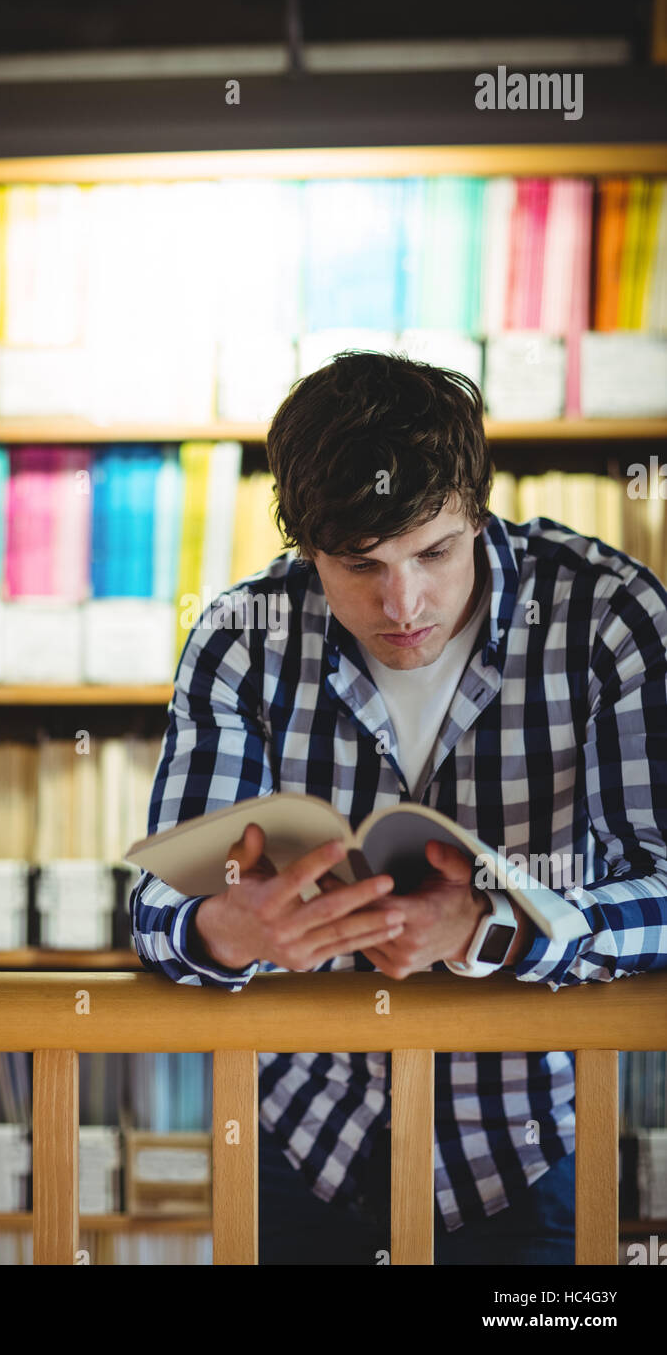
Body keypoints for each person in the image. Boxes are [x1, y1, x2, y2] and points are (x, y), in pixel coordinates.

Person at [129, 350, 667, 1265]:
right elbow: (155, 908)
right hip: (303, 1134)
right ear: (304, 544)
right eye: (359, 564)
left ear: (479, 509)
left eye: (434, 552)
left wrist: (494, 926)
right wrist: (227, 928)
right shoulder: (242, 637)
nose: (403, 603)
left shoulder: (609, 617)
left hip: (526, 1144)